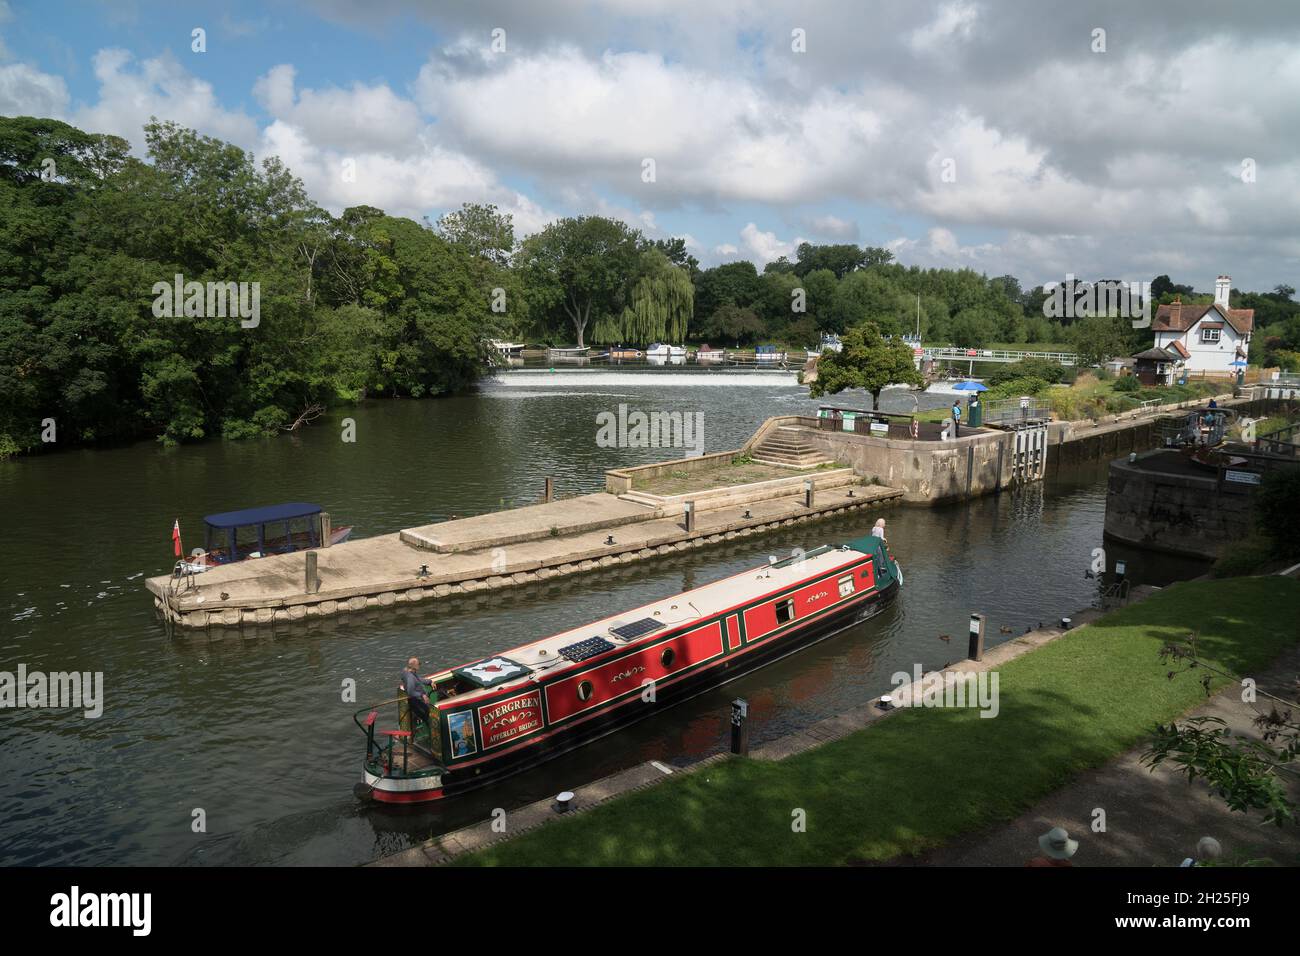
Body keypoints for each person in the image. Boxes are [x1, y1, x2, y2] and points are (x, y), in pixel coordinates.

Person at [401, 657, 435, 737]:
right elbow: (410, 692)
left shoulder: (408, 671)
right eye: (418, 664)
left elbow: (418, 680)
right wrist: (422, 695)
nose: (419, 665)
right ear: (414, 666)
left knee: (427, 714)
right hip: (416, 702)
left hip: (416, 700)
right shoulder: (410, 677)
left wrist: (429, 681)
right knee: (429, 716)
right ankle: (431, 736)